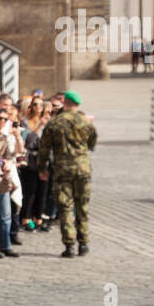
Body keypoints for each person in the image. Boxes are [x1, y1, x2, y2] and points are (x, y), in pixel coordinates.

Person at [38, 90, 98, 257]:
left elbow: (44, 148)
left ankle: (70, 245)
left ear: (65, 103)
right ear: (77, 104)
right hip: (83, 169)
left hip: (62, 170)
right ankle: (84, 243)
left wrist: (42, 169)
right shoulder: (86, 122)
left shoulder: (55, 123)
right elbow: (93, 142)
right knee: (82, 206)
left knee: (65, 207)